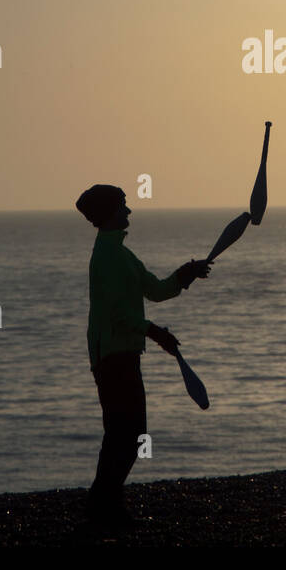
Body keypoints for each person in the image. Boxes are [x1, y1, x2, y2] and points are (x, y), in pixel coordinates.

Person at [75, 183, 211, 527]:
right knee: (128, 432)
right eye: (123, 205)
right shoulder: (107, 258)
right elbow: (118, 316)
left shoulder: (121, 255)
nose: (129, 211)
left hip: (122, 354)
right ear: (109, 212)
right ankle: (102, 507)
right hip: (112, 357)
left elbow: (156, 290)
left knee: (124, 433)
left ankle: (105, 506)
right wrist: (155, 333)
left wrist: (185, 273)